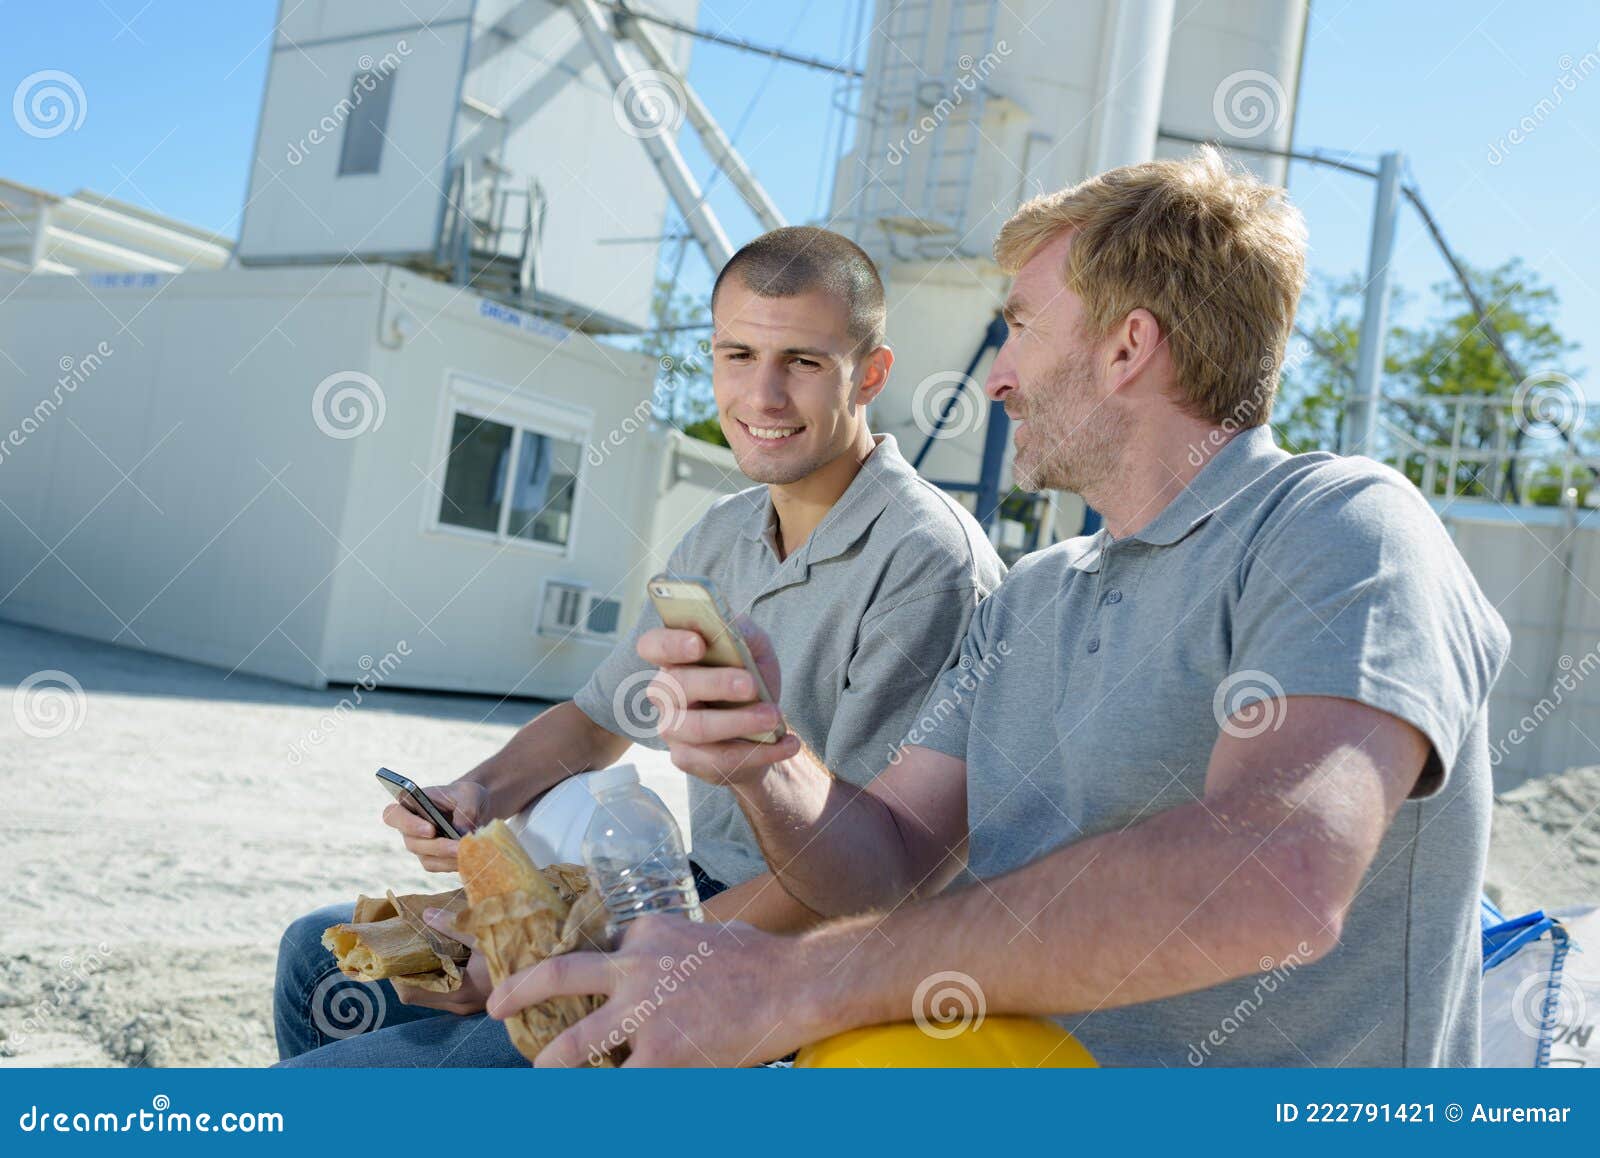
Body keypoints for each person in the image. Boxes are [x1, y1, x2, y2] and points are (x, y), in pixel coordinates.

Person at [489, 148, 1512, 1068]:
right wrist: (767, 755)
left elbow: (1276, 874)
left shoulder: (1339, 528)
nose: (998, 377)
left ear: (1126, 348)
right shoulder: (1034, 595)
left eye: (1019, 326)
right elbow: (884, 864)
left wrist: (792, 984)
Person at [272, 226, 1004, 1066]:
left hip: (786, 951)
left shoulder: (927, 562)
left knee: (373, 1075)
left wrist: (585, 959)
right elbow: (591, 724)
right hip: (685, 893)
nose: (761, 395)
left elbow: (870, 882)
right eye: (737, 355)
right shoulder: (721, 535)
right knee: (318, 957)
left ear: (870, 373)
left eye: (802, 362)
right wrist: (471, 798)